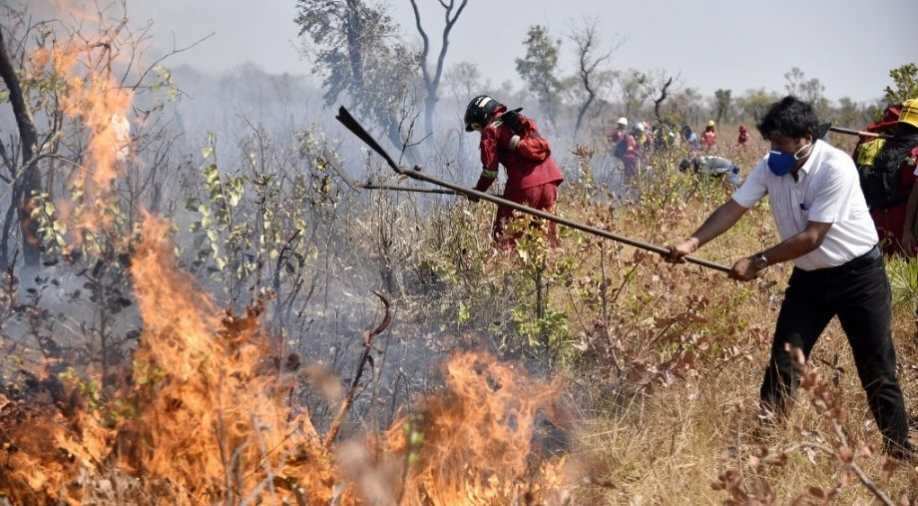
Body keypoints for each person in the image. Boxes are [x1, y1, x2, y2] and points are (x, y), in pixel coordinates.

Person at [666, 96, 913, 460]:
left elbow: (813, 235)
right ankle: (765, 447)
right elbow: (735, 207)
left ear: (806, 138)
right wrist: (692, 241)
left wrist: (758, 261)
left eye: (782, 144)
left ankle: (899, 450)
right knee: (784, 364)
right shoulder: (770, 166)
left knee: (876, 367)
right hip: (810, 279)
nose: (774, 152)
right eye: (772, 143)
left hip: (859, 277)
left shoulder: (836, 167)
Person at [464, 95, 564, 248]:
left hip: (523, 187)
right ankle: (547, 271)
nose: (479, 131)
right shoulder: (519, 120)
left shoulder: (490, 131)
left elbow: (490, 172)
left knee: (504, 240)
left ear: (483, 117)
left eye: (477, 126)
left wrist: (478, 191)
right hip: (550, 181)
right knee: (545, 241)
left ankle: (503, 271)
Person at [854, 99, 918, 256]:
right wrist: (907, 230)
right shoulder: (914, 151)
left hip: (875, 221)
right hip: (903, 223)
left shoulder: (873, 144)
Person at [678, 155, 743, 187]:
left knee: (738, 194)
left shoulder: (701, 166)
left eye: (687, 172)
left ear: (689, 167)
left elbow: (707, 182)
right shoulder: (698, 162)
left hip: (730, 170)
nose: (688, 174)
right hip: (729, 168)